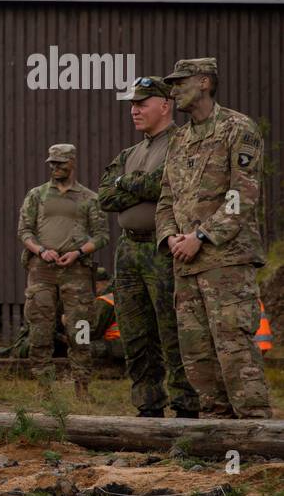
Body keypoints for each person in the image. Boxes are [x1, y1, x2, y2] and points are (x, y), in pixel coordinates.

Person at [156, 58, 271, 420]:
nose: (173, 90)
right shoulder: (179, 140)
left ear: (204, 82)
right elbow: (166, 199)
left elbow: (243, 196)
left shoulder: (239, 128)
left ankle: (257, 436)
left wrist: (201, 236)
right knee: (197, 354)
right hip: (186, 264)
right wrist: (170, 237)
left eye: (181, 82)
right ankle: (217, 438)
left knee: (233, 348)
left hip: (227, 261)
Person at [98, 76, 199, 418]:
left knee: (171, 329)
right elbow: (105, 197)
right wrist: (134, 186)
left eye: (142, 103)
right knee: (135, 332)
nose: (134, 110)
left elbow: (165, 184)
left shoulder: (181, 143)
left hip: (163, 247)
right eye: (132, 104)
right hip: (128, 251)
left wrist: (125, 182)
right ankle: (148, 405)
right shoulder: (130, 152)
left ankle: (186, 405)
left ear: (165, 105)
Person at [17, 143, 108, 401]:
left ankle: (82, 386)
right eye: (52, 163)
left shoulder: (89, 198)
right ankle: (44, 387)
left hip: (77, 272)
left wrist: (79, 252)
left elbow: (102, 236)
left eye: (60, 163)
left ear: (72, 163)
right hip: (42, 270)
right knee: (40, 328)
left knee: (80, 328)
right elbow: (24, 231)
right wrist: (40, 250)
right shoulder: (37, 195)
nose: (55, 168)